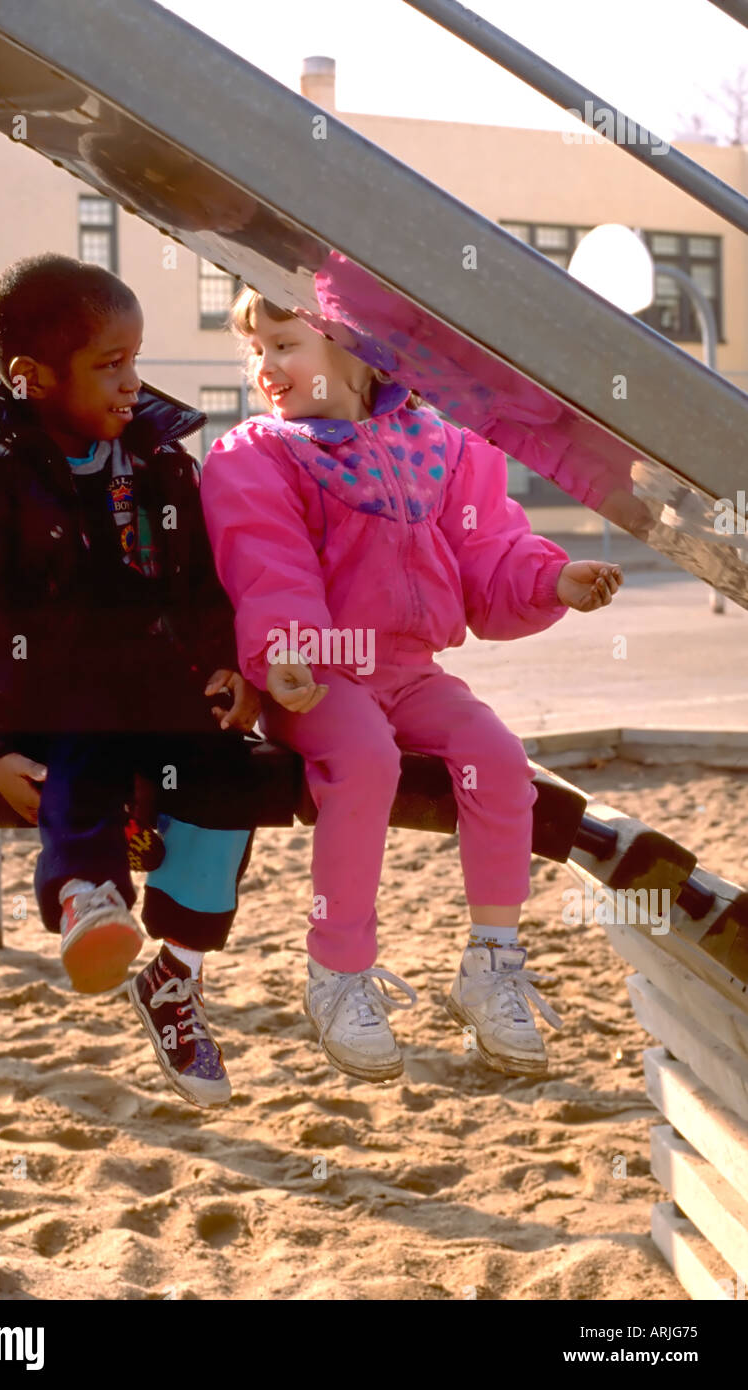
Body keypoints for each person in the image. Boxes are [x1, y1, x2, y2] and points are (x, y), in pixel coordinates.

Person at [200, 288, 623, 1084]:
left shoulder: (444, 449)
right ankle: (337, 973)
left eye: (284, 344)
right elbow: (268, 560)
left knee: (498, 760)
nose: (265, 368)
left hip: (410, 673)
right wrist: (286, 651)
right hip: (316, 676)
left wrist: (553, 579)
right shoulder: (260, 454)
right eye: (255, 351)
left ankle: (491, 965)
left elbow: (490, 556)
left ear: (351, 344)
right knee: (364, 761)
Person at [0, 254, 260, 1109]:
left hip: (154, 674)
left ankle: (175, 972)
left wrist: (230, 662)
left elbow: (200, 582)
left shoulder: (157, 460)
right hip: (49, 687)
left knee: (235, 765)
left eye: (136, 358)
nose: (131, 382)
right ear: (31, 377)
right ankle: (90, 893)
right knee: (85, 731)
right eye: (108, 364)